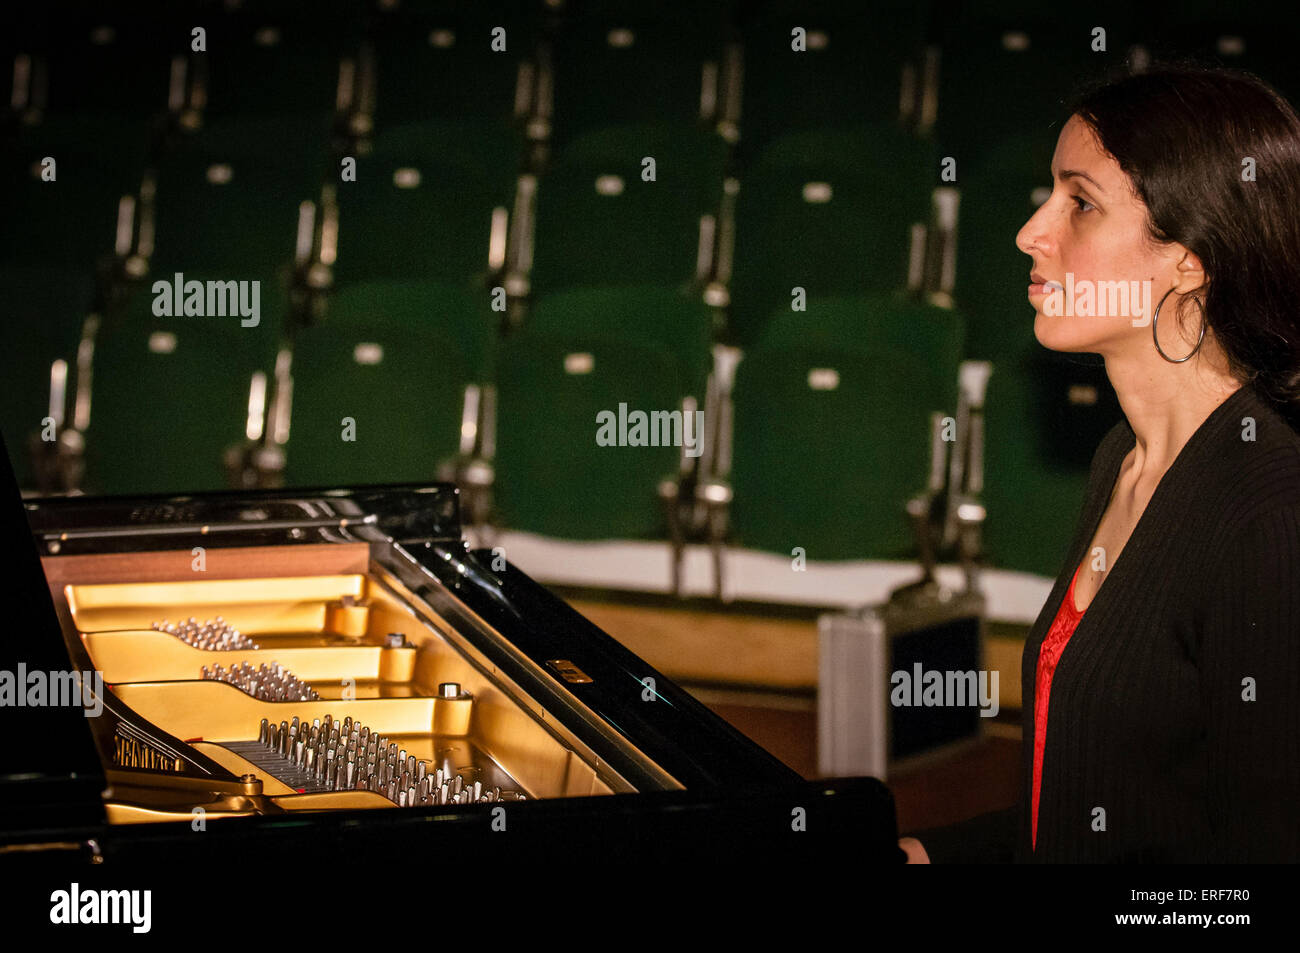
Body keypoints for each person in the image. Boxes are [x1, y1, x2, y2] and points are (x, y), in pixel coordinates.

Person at [901, 63, 1300, 862]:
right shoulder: (1123, 458)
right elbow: (1107, 808)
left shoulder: (1269, 514)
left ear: (1189, 258)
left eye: (1079, 203)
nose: (1030, 233)